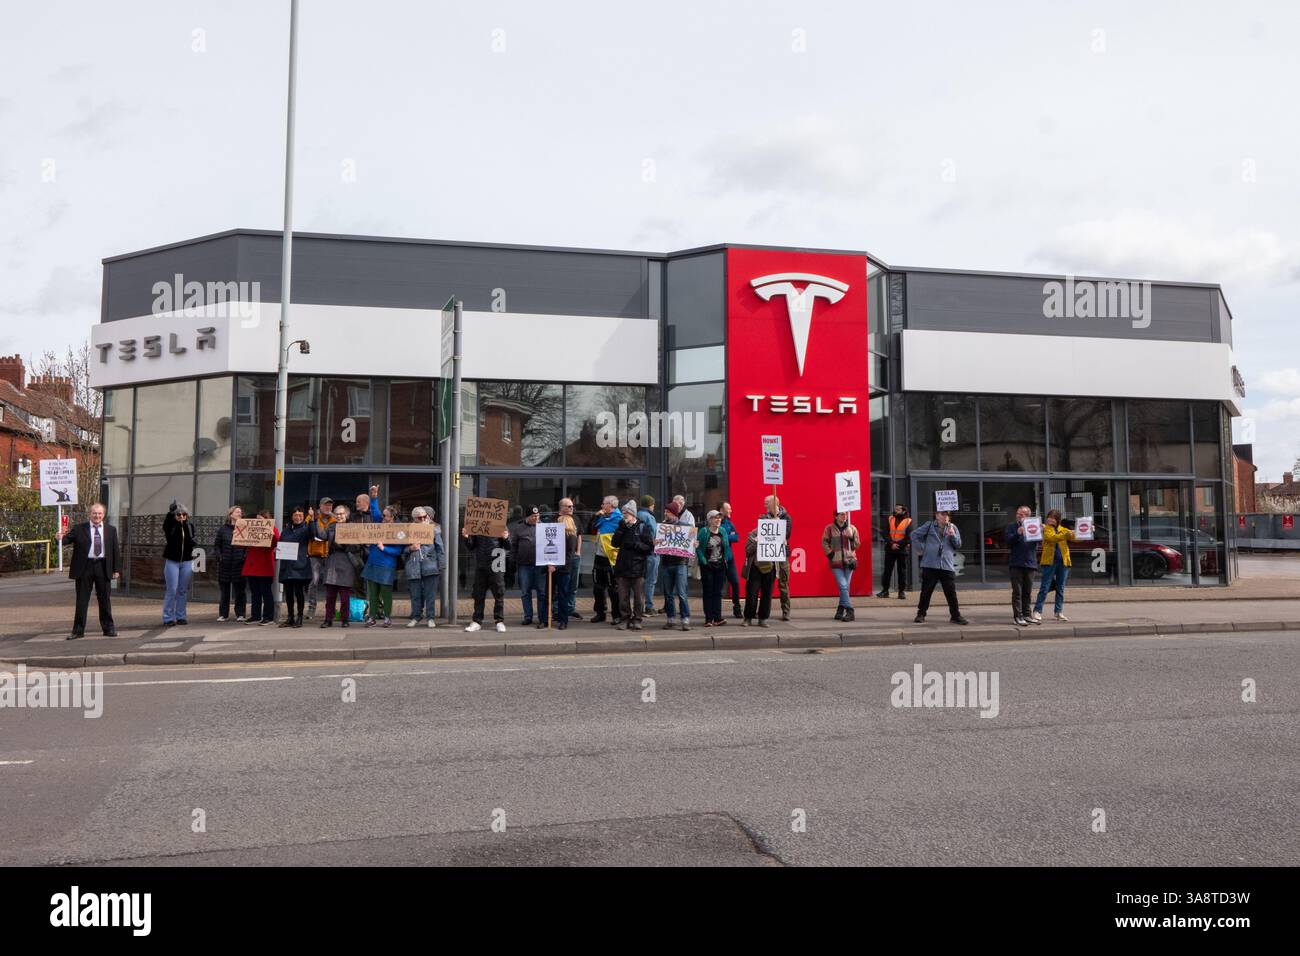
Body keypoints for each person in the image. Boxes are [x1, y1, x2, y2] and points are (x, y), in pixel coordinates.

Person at [63, 502, 120, 639]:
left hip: (103, 567)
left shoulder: (111, 530)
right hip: (84, 568)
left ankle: (108, 629)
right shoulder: (79, 528)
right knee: (82, 600)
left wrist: (116, 569)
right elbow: (65, 540)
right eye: (94, 513)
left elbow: (115, 551)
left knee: (105, 600)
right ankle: (78, 631)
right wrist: (60, 536)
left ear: (103, 515)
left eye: (99, 513)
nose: (97, 516)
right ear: (90, 514)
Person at [911, 510, 968, 625]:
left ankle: (955, 616)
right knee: (926, 591)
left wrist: (953, 536)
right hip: (930, 564)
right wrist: (920, 549)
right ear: (937, 516)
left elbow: (958, 545)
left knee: (951, 592)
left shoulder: (953, 527)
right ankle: (921, 614)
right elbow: (913, 535)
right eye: (943, 514)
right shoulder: (929, 525)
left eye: (947, 514)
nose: (945, 516)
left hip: (946, 565)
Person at [314, 502, 361, 627]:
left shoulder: (352, 527)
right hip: (333, 560)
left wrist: (347, 545)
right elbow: (322, 536)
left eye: (342, 514)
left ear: (347, 514)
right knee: (330, 595)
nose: (339, 516)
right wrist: (316, 520)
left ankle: (345, 619)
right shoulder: (331, 526)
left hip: (346, 560)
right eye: (337, 514)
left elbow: (357, 546)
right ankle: (328, 619)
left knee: (345, 595)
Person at [611, 500, 654, 630]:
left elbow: (649, 547)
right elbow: (614, 543)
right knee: (623, 597)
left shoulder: (642, 527)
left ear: (632, 514)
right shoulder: (621, 526)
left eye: (626, 513)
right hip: (623, 568)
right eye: (623, 513)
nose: (623, 515)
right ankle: (625, 619)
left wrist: (636, 545)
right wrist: (621, 530)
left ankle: (637, 619)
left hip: (638, 568)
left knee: (638, 597)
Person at [361, 504, 403, 628]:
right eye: (383, 516)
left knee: (386, 593)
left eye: (386, 516)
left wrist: (384, 548)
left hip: (386, 566)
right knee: (373, 593)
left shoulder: (399, 530)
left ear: (392, 517)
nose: (382, 518)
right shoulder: (379, 525)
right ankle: (372, 617)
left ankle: (387, 617)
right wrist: (374, 497)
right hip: (372, 563)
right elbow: (375, 511)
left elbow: (398, 551)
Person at [464, 524, 509, 633]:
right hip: (481, 565)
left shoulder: (500, 525)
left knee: (499, 593)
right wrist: (466, 537)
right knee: (479, 594)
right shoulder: (477, 526)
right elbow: (471, 546)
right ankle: (477, 621)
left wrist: (506, 538)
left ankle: (499, 621)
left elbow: (508, 547)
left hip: (496, 563)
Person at [1033, 509, 1076, 623]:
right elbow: (1052, 538)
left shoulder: (1063, 529)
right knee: (1045, 586)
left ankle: (1058, 612)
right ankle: (1037, 611)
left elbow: (1075, 538)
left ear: (1057, 519)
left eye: (1052, 517)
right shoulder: (1047, 529)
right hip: (1049, 561)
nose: (1050, 519)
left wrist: (1087, 530)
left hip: (1063, 562)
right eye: (1049, 517)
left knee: (1060, 588)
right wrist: (1067, 533)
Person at [405, 506, 444, 628]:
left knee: (430, 595)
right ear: (414, 518)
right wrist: (410, 548)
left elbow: (440, 548)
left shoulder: (434, 529)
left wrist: (441, 565)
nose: (422, 519)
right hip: (414, 566)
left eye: (424, 516)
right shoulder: (408, 530)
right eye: (419, 517)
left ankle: (430, 618)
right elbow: (401, 549)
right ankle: (416, 617)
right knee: (415, 594)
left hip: (430, 566)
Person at [587, 495, 622, 624]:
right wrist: (596, 516)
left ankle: (616, 614)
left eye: (603, 504)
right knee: (598, 587)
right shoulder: (602, 518)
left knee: (613, 588)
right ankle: (600, 613)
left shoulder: (619, 519)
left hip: (611, 558)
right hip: (599, 556)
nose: (601, 506)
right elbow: (590, 529)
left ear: (611, 505)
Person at [696, 509, 734, 627]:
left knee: (718, 592)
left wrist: (726, 558)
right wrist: (703, 561)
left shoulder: (722, 530)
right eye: (715, 518)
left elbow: (726, 547)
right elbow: (698, 548)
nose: (718, 520)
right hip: (707, 566)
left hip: (720, 566)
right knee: (708, 592)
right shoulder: (704, 531)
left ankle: (717, 618)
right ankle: (708, 618)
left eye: (719, 518)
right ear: (709, 520)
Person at [657, 501, 692, 631]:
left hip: (680, 564)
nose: (665, 513)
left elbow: (691, 541)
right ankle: (671, 619)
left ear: (674, 513)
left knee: (682, 593)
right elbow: (657, 544)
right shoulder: (662, 527)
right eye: (665, 511)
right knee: (668, 594)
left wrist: (694, 544)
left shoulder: (685, 526)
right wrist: (656, 542)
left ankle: (685, 619)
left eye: (668, 511)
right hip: (666, 564)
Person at [161, 500, 196, 627]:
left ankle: (181, 616)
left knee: (182, 590)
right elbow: (167, 524)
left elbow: (192, 538)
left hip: (186, 560)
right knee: (172, 589)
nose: (181, 516)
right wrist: (171, 513)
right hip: (172, 561)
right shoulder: (171, 526)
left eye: (184, 514)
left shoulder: (189, 526)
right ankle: (168, 617)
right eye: (179, 514)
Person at [278, 506, 313, 628]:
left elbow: (313, 535)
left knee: (299, 593)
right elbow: (281, 543)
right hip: (287, 566)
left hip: (300, 566)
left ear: (303, 517)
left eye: (300, 516)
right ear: (292, 516)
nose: (298, 518)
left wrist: (312, 519)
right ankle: (290, 617)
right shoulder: (286, 530)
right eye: (295, 515)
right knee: (288, 593)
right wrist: (277, 551)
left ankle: (300, 617)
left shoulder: (306, 528)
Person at [822, 510, 861, 621]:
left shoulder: (852, 528)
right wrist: (831, 555)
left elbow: (857, 545)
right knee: (844, 586)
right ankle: (850, 610)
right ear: (836, 516)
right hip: (836, 561)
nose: (844, 516)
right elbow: (824, 543)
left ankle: (840, 609)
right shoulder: (829, 528)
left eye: (845, 514)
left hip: (850, 561)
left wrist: (851, 537)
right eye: (842, 514)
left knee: (844, 587)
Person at [243, 509, 279, 625]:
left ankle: (268, 617)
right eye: (257, 520)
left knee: (266, 592)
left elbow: (276, 542)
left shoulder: (273, 529)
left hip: (265, 565)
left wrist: (268, 529)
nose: (258, 522)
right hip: (252, 565)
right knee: (255, 593)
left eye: (261, 520)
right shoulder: (251, 530)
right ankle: (255, 615)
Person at [512, 506, 545, 627]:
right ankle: (528, 616)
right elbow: (514, 546)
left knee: (541, 592)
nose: (536, 518)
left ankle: (542, 617)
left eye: (538, 516)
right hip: (524, 565)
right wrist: (512, 561)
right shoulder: (519, 528)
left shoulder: (544, 527)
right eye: (534, 516)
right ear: (527, 516)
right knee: (525, 592)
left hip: (540, 566)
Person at [213, 505, 248, 622]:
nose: (239, 513)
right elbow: (217, 545)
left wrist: (244, 557)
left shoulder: (245, 528)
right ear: (230, 514)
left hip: (239, 565)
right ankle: (223, 614)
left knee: (240, 591)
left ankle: (240, 614)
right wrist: (220, 557)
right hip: (225, 565)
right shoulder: (223, 529)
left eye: (240, 512)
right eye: (237, 512)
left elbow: (248, 546)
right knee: (225, 592)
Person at [1005, 505, 1037, 627]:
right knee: (1017, 592)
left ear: (1028, 516)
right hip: (1016, 563)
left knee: (1027, 592)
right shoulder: (1012, 527)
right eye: (1018, 513)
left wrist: (1039, 530)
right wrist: (1018, 534)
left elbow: (1039, 541)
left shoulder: (1033, 525)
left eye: (1022, 514)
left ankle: (1027, 615)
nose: (1019, 515)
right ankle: (1018, 616)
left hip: (1030, 563)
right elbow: (1008, 541)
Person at [763, 494, 794, 620]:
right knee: (766, 584)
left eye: (766, 503)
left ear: (774, 503)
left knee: (783, 583)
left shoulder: (786, 517)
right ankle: (764, 612)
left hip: (782, 554)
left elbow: (786, 534)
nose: (765, 505)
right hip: (769, 554)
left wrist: (777, 524)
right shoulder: (764, 517)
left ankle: (786, 611)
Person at [547, 509, 578, 630]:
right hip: (553, 568)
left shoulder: (571, 537)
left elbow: (568, 557)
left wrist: (556, 566)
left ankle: (563, 620)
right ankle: (553, 618)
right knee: (551, 594)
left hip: (563, 570)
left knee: (562, 595)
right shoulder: (560, 536)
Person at [741, 519, 775, 628]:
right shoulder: (753, 534)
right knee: (751, 594)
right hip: (755, 568)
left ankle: (763, 618)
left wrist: (784, 544)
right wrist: (757, 542)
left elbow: (784, 552)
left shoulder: (777, 535)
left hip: (770, 568)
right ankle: (748, 618)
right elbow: (747, 551)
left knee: (767, 594)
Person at [554, 497, 583, 622]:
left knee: (573, 585)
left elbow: (579, 535)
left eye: (572, 506)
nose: (572, 509)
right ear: (562, 507)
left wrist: (578, 552)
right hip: (561, 558)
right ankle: (557, 611)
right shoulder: (556, 520)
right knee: (559, 587)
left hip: (574, 557)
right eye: (569, 506)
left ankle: (570, 609)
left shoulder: (575, 519)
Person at [305, 496, 334, 619]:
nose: (328, 507)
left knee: (331, 583)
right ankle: (311, 609)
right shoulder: (311, 518)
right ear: (320, 506)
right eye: (326, 505)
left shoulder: (335, 519)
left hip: (330, 554)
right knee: (314, 582)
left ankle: (331, 609)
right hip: (315, 555)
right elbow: (306, 533)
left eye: (330, 505)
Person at [878, 503, 912, 599]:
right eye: (895, 509)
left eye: (898, 509)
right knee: (887, 571)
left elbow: (908, 538)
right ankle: (885, 591)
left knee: (902, 571)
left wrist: (898, 545)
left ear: (903, 511)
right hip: (890, 549)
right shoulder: (890, 519)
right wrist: (891, 544)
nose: (895, 511)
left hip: (902, 550)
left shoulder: (908, 521)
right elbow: (884, 533)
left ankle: (901, 592)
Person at [720, 501, 743, 619]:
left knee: (735, 582)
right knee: (719, 586)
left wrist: (724, 536)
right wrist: (727, 535)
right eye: (728, 509)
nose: (731, 511)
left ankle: (737, 608)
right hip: (718, 560)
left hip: (729, 558)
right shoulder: (716, 522)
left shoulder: (729, 523)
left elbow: (736, 537)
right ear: (721, 511)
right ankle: (716, 612)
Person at [638, 495, 659, 616]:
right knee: (651, 580)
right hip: (651, 553)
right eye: (652, 504)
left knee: (640, 581)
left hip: (640, 553)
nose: (654, 506)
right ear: (650, 505)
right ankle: (649, 606)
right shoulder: (649, 517)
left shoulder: (637, 515)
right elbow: (655, 534)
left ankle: (639, 606)